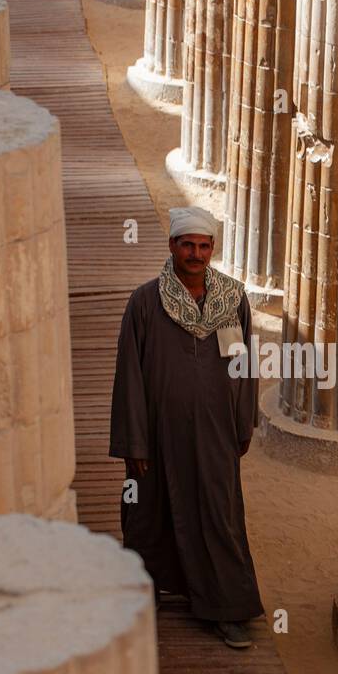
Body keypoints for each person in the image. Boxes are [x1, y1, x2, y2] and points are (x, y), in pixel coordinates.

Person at [110, 206, 264, 650]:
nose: (195, 254)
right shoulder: (144, 302)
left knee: (219, 513)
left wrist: (243, 422)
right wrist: (133, 440)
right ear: (173, 246)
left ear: (212, 249)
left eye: (203, 245)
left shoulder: (232, 300)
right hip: (157, 433)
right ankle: (149, 586)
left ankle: (227, 608)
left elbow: (244, 366)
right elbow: (130, 378)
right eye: (187, 244)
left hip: (215, 431)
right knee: (150, 508)